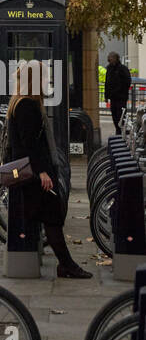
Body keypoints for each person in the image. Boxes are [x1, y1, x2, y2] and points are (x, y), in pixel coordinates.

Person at [7, 66, 92, 279]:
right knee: (52, 218)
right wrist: (43, 172)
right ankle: (67, 265)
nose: (48, 81)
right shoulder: (27, 105)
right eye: (45, 77)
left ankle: (66, 265)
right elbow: (30, 145)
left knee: (50, 218)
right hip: (36, 174)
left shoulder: (24, 102)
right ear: (34, 80)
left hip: (34, 172)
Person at [104, 51, 131, 135]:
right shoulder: (109, 68)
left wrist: (120, 91)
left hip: (121, 97)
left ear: (116, 58)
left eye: (111, 57)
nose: (109, 59)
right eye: (109, 57)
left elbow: (127, 82)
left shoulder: (122, 68)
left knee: (121, 115)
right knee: (114, 115)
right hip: (113, 97)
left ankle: (121, 131)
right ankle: (118, 130)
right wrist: (106, 96)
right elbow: (106, 82)